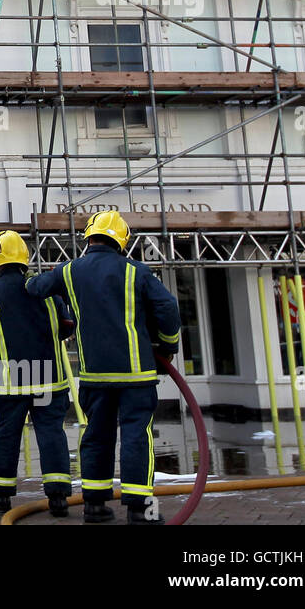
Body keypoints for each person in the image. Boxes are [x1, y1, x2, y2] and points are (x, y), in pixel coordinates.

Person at [26, 211, 181, 525]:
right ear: (121, 241)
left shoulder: (70, 271)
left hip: (95, 375)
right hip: (136, 375)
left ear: (89, 238)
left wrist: (57, 282)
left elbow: (34, 288)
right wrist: (167, 346)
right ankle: (139, 511)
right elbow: (167, 307)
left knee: (96, 436)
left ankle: (94, 506)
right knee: (137, 436)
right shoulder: (137, 271)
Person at [0, 230, 76, 517]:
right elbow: (68, 326)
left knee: (5, 435)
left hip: (12, 382)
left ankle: (0, 497)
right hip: (51, 380)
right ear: (24, 259)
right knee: (52, 433)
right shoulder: (48, 290)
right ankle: (59, 498)